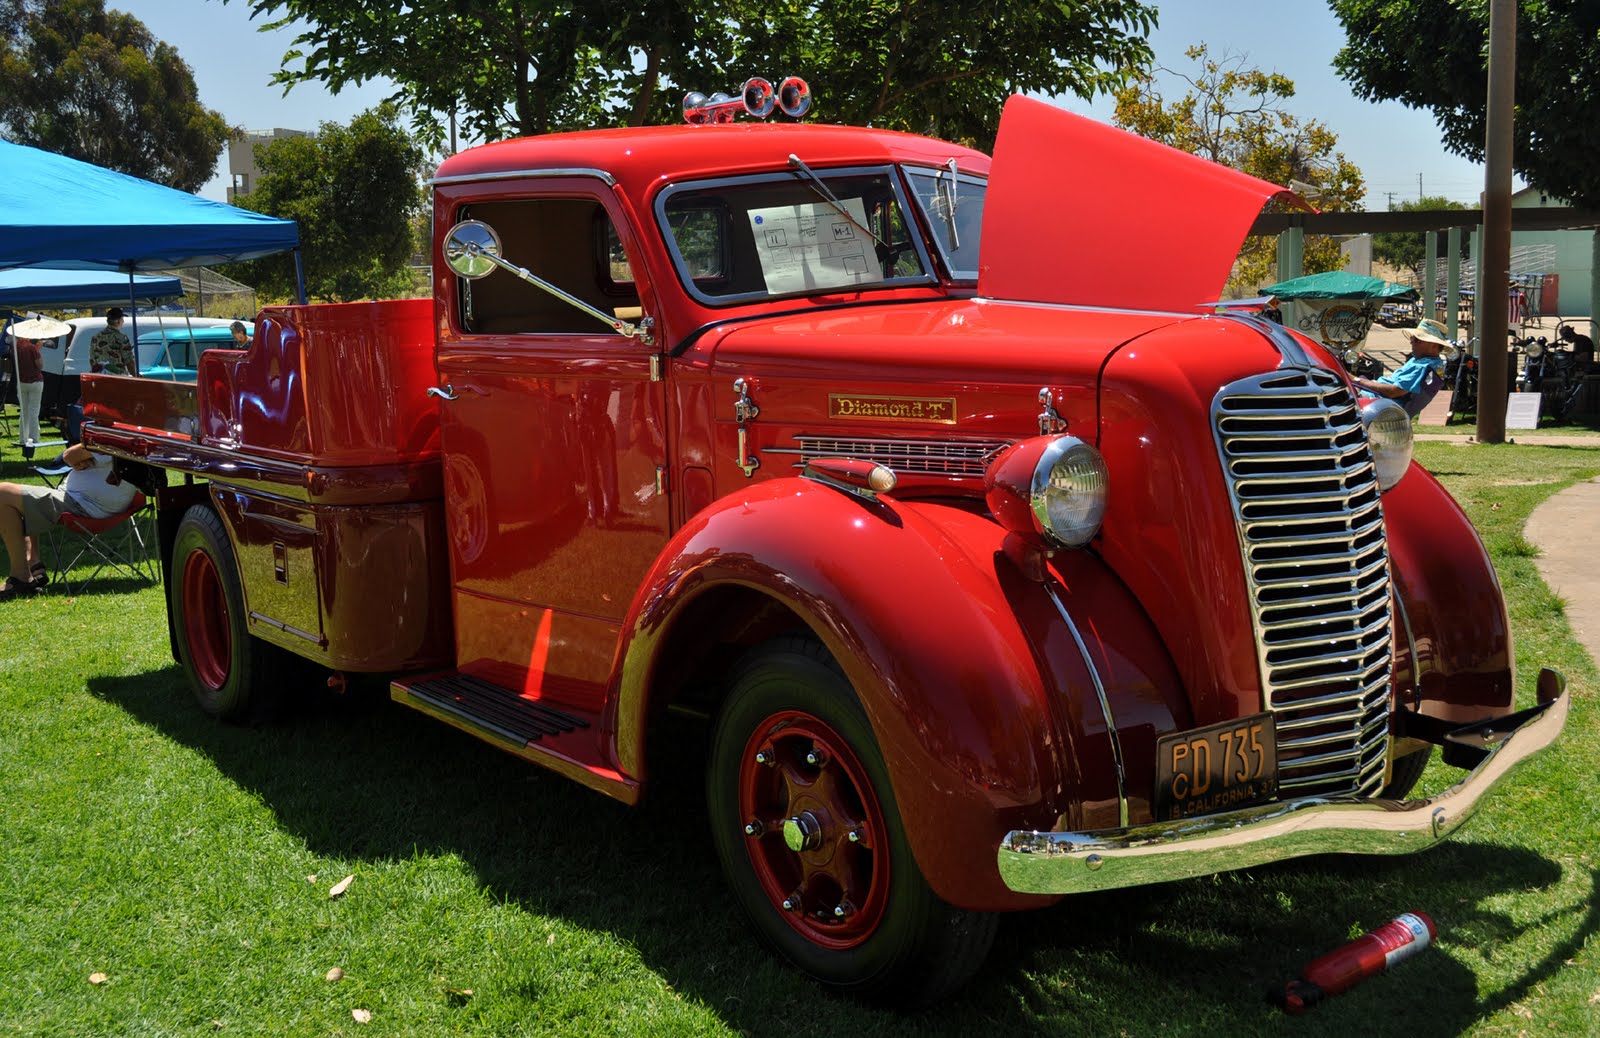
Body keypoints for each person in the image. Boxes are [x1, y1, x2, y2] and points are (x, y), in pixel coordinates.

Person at [0, 443, 137, 598]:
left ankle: (22, 576)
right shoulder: (136, 438)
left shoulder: (111, 436)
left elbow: (68, 456)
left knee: (2, 492)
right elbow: (73, 456)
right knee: (13, 503)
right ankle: (33, 562)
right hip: (93, 503)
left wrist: (80, 456)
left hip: (83, 505)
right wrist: (82, 456)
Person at [1351, 317, 1453, 418]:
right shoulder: (1426, 362)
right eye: (1413, 338)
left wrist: (1356, 380)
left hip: (1378, 404)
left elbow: (1393, 391)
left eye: (1417, 340)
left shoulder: (1423, 366)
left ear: (1434, 345)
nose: (1411, 342)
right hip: (1377, 399)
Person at [15, 335, 44, 459]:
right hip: (35, 382)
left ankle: (23, 437)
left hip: (21, 382)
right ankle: (34, 438)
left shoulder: (16, 347)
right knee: (33, 411)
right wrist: (39, 349)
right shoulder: (32, 348)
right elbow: (40, 365)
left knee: (24, 411)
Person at [88, 307, 136, 375]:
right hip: (116, 379)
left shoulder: (95, 338)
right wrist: (136, 376)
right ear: (118, 321)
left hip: (99, 378)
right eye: (122, 319)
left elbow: (92, 360)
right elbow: (129, 361)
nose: (123, 322)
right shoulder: (121, 338)